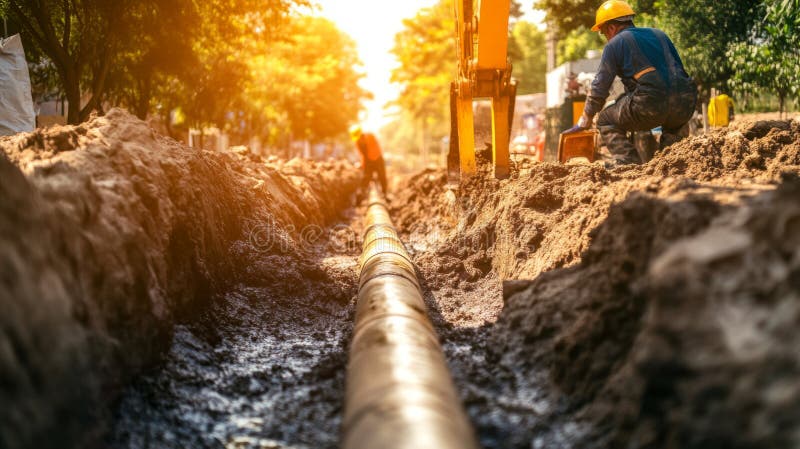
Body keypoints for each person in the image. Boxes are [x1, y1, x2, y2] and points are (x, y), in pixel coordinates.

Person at [564, 0, 698, 167]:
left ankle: (627, 161)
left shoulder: (614, 44)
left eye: (604, 33)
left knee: (605, 119)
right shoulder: (659, 34)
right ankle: (671, 161)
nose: (606, 38)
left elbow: (599, 88)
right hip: (686, 101)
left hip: (651, 104)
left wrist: (586, 118)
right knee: (673, 129)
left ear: (611, 28)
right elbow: (678, 72)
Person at [349, 124, 388, 194]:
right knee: (366, 178)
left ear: (360, 134)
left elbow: (373, 151)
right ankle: (361, 194)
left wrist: (369, 164)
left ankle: (384, 193)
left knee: (382, 176)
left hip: (377, 158)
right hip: (368, 160)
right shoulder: (357, 142)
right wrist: (362, 164)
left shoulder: (370, 136)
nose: (358, 140)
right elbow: (362, 154)